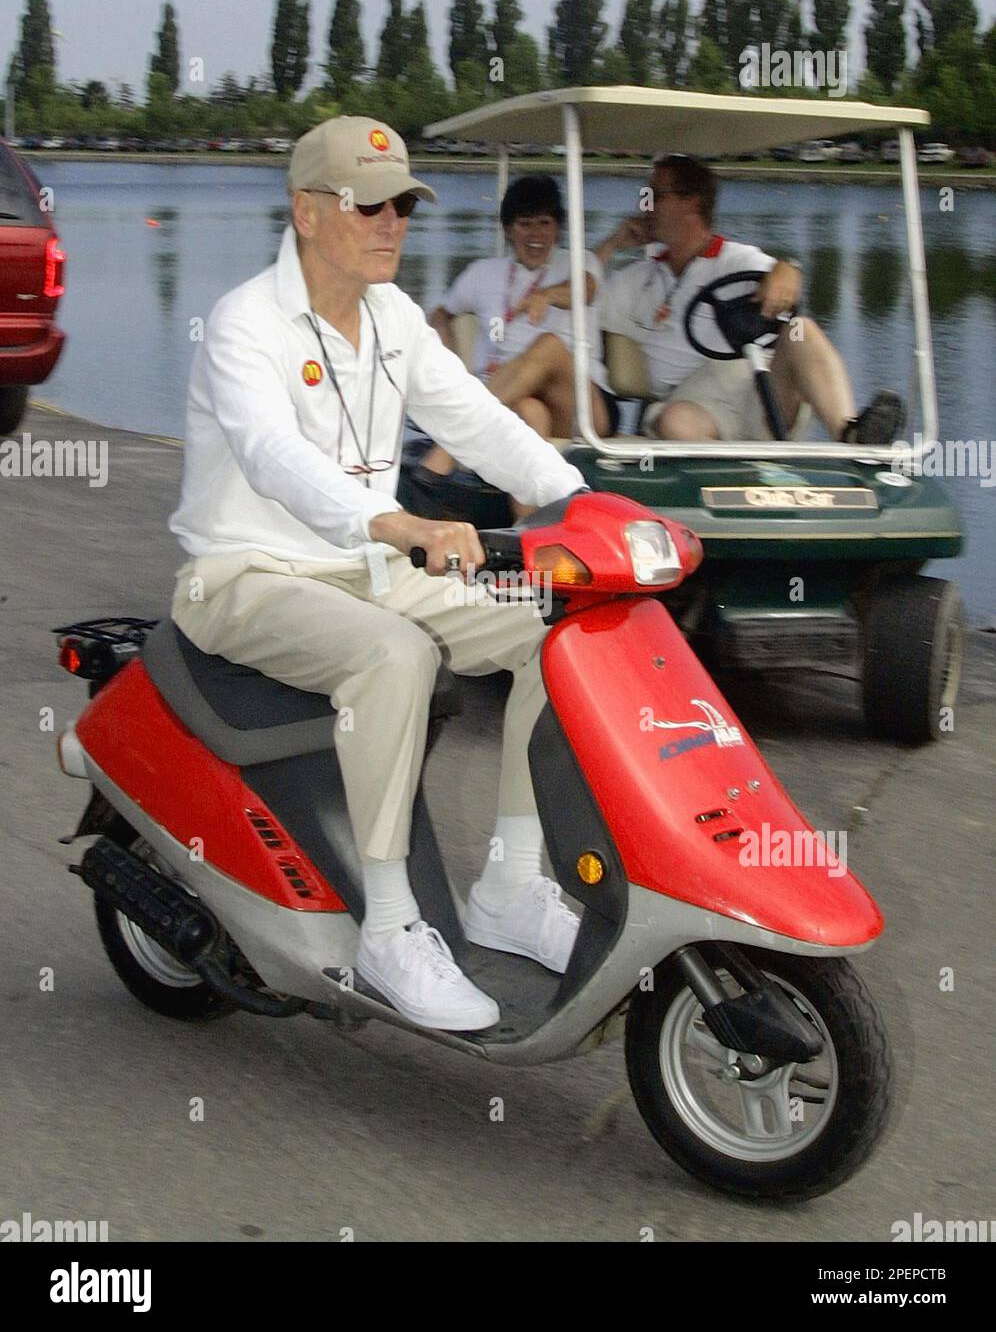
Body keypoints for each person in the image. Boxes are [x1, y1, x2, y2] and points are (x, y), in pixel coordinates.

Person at [168, 117, 585, 1033]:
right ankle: (390, 931)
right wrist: (396, 521)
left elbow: (478, 421)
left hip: (362, 566)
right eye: (369, 204)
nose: (392, 221)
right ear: (308, 212)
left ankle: (513, 884)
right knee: (396, 657)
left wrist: (581, 500)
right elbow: (274, 456)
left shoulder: (395, 317)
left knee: (558, 629)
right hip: (244, 575)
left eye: (402, 204)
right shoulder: (245, 323)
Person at [597, 154, 904, 443]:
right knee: (675, 422)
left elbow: (786, 277)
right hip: (692, 401)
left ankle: (850, 434)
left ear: (692, 202)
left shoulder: (736, 260)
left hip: (756, 389)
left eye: (655, 197)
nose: (644, 206)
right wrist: (611, 245)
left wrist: (788, 270)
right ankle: (745, 481)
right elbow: (578, 303)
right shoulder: (637, 278)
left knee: (802, 330)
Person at [416, 174, 614, 486]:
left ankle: (449, 445)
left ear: (558, 227)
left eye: (544, 223)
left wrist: (546, 296)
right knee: (531, 413)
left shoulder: (581, 262)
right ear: (509, 229)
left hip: (581, 403)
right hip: (513, 397)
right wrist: (453, 364)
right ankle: (526, 526)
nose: (535, 235)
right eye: (525, 224)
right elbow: (440, 313)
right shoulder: (483, 273)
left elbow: (584, 290)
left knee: (549, 344)